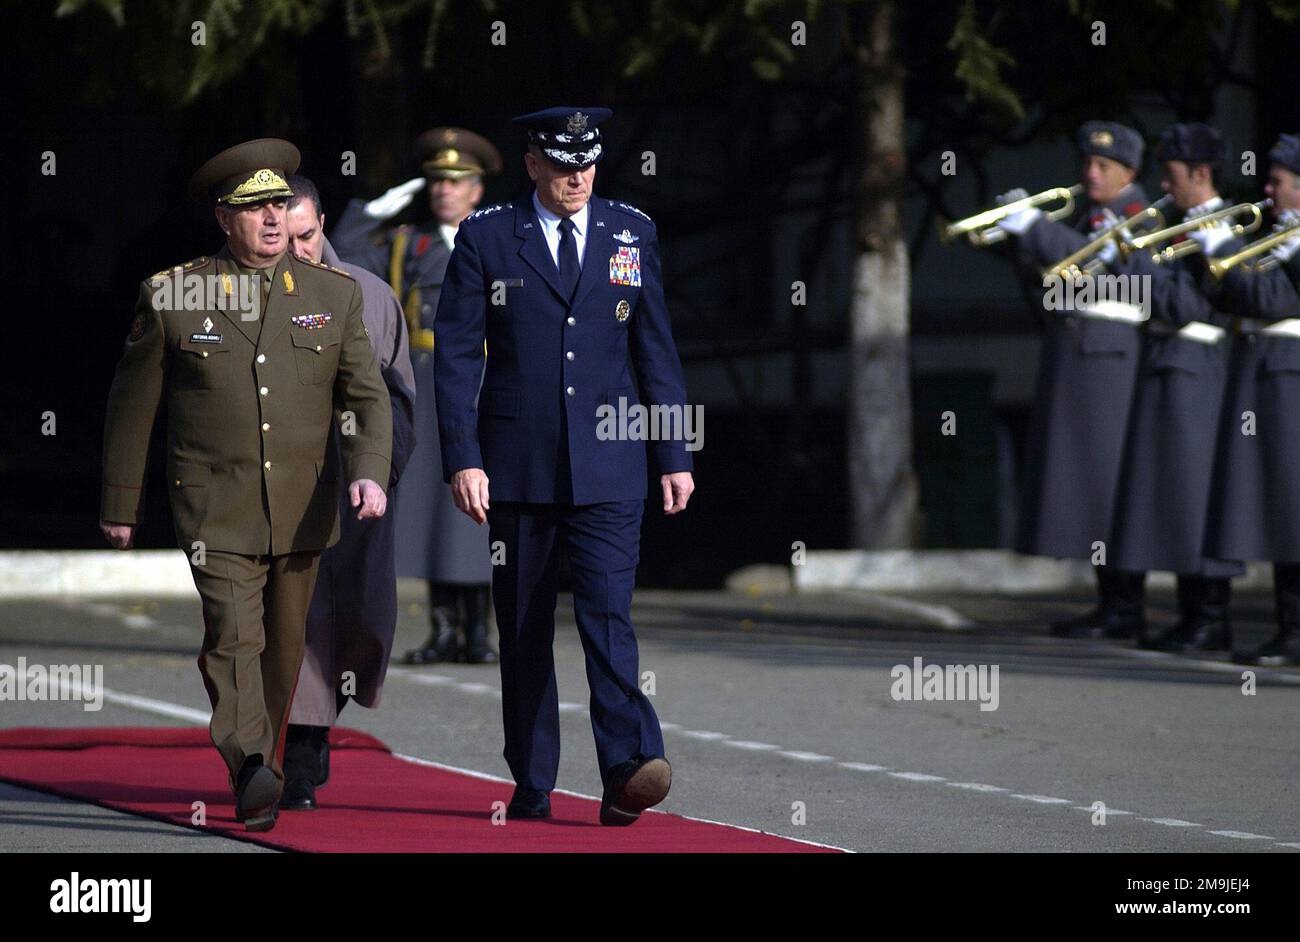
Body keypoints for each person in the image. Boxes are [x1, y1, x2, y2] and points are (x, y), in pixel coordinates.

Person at [98, 139, 393, 831]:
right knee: (233, 638)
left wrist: (370, 470)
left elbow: (367, 398)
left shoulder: (332, 294)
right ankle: (250, 763)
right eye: (253, 209)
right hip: (214, 506)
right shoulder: (174, 293)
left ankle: (263, 767)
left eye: (277, 206)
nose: (269, 219)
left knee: (285, 650)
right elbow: (133, 405)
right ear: (223, 220)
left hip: (302, 508)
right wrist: (121, 503)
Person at [434, 107, 695, 825]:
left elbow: (655, 350)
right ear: (533, 165)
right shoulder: (489, 236)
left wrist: (674, 452)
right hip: (517, 470)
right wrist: (464, 458)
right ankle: (534, 780)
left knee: (609, 617)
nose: (577, 175)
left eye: (588, 162)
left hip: (612, 465)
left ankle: (628, 766)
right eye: (562, 162)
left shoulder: (629, 231)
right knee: (522, 629)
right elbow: (456, 355)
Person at [333, 127, 502, 664]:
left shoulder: (499, 240)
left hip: (483, 381)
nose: (443, 191)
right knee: (433, 507)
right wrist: (370, 210)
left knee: (480, 514)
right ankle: (443, 628)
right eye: (435, 182)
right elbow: (347, 263)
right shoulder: (410, 242)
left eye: (455, 182)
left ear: (478, 189)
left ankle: (480, 632)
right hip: (426, 385)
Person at [280, 174, 417, 810]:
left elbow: (398, 398)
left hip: (358, 481)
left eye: (307, 234)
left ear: (324, 223)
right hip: (278, 485)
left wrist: (380, 472)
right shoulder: (238, 295)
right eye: (285, 237)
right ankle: (296, 759)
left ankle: (320, 718)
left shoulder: (369, 293)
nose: (298, 249)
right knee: (298, 619)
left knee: (364, 620)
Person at [993, 121, 1150, 639]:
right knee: (1090, 486)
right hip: (1082, 357)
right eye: (1086, 163)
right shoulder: (1089, 215)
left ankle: (1125, 604)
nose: (1090, 173)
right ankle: (1111, 602)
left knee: (1109, 483)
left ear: (1129, 171)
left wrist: (1035, 227)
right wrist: (1017, 238)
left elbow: (1111, 276)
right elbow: (1056, 285)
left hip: (1111, 360)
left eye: (1103, 165)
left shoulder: (1136, 215)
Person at [1108, 123, 1245, 651]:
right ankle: (1193, 613)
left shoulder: (1218, 228)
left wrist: (1134, 258)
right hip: (1167, 358)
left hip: (1197, 362)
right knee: (1172, 493)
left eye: (1172, 176)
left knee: (1198, 491)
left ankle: (1212, 615)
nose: (1163, 187)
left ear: (1202, 174)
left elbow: (1184, 304)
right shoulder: (1175, 224)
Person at [1196, 133, 1300, 666]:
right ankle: (1289, 625)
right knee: (1280, 501)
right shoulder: (1281, 237)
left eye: (1278, 182)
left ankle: (1295, 627)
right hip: (1264, 369)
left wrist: (1222, 253)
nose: (1267, 189)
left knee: (1291, 498)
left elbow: (1270, 297)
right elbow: (1226, 295)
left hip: (1290, 373)